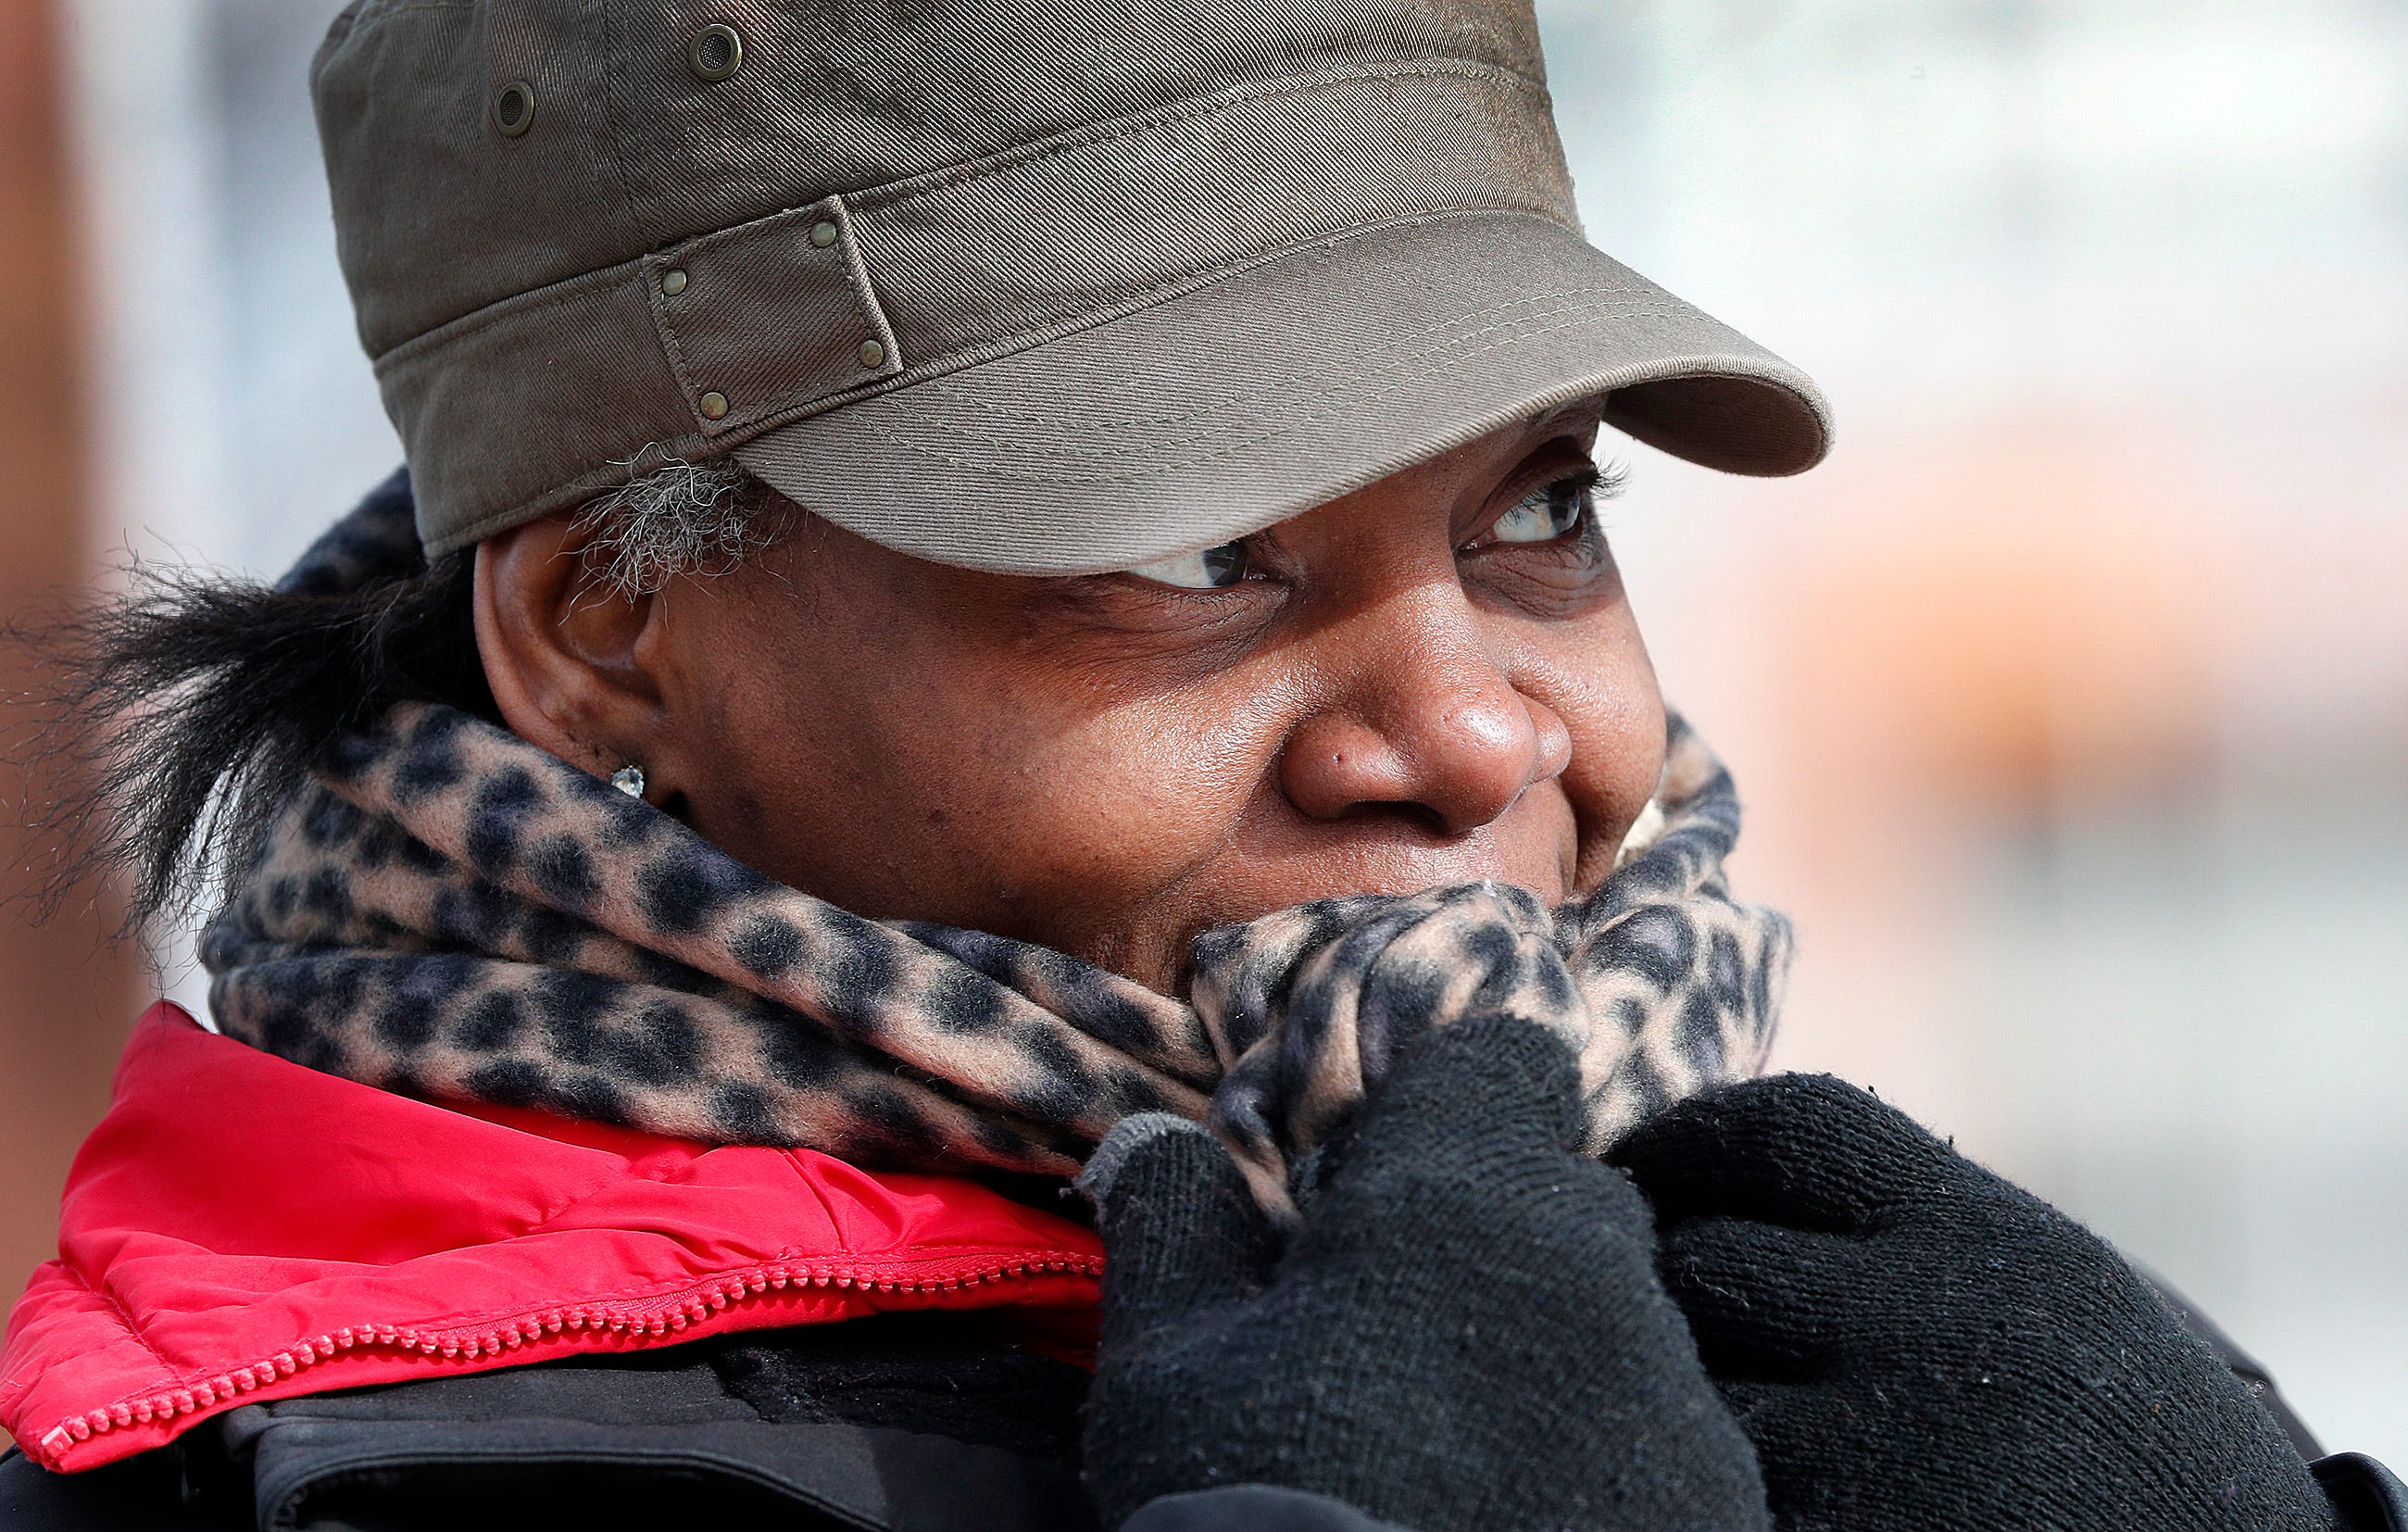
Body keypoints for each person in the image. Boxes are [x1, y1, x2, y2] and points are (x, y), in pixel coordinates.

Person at [2, 1, 2399, 1528]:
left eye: (1539, 511)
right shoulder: (288, 1477)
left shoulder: (1866, 1342)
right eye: (1188, 552)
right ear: (607, 636)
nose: (1476, 729)